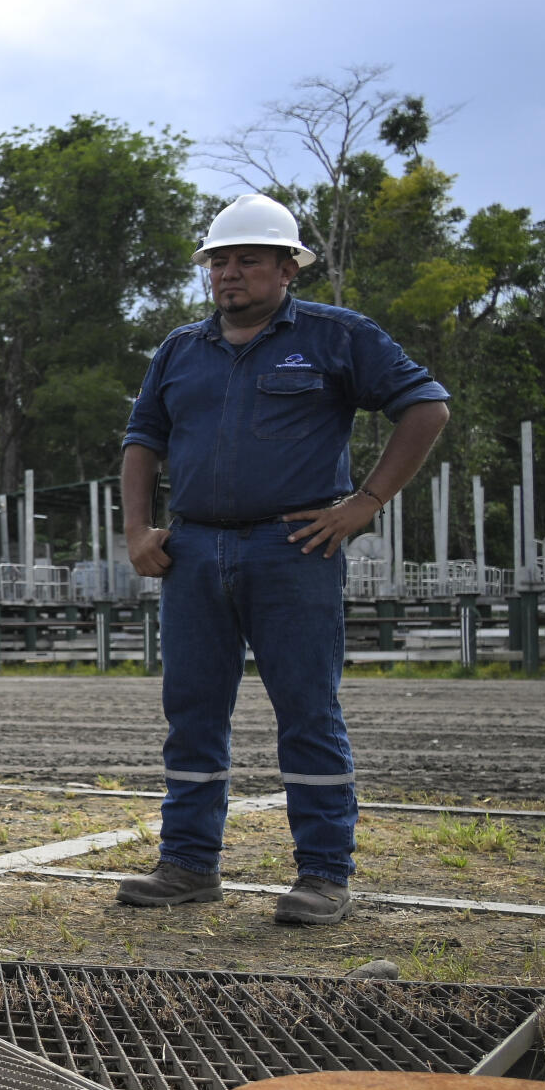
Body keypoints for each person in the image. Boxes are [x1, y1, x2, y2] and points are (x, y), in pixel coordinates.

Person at [117, 192, 448, 926]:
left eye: (248, 260)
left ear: (286, 268)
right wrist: (138, 530)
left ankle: (325, 874)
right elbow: (143, 439)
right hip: (194, 548)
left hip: (293, 546)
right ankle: (188, 865)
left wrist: (364, 502)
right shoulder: (180, 349)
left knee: (306, 707)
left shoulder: (337, 337)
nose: (230, 274)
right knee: (193, 712)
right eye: (219, 261)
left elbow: (425, 407)